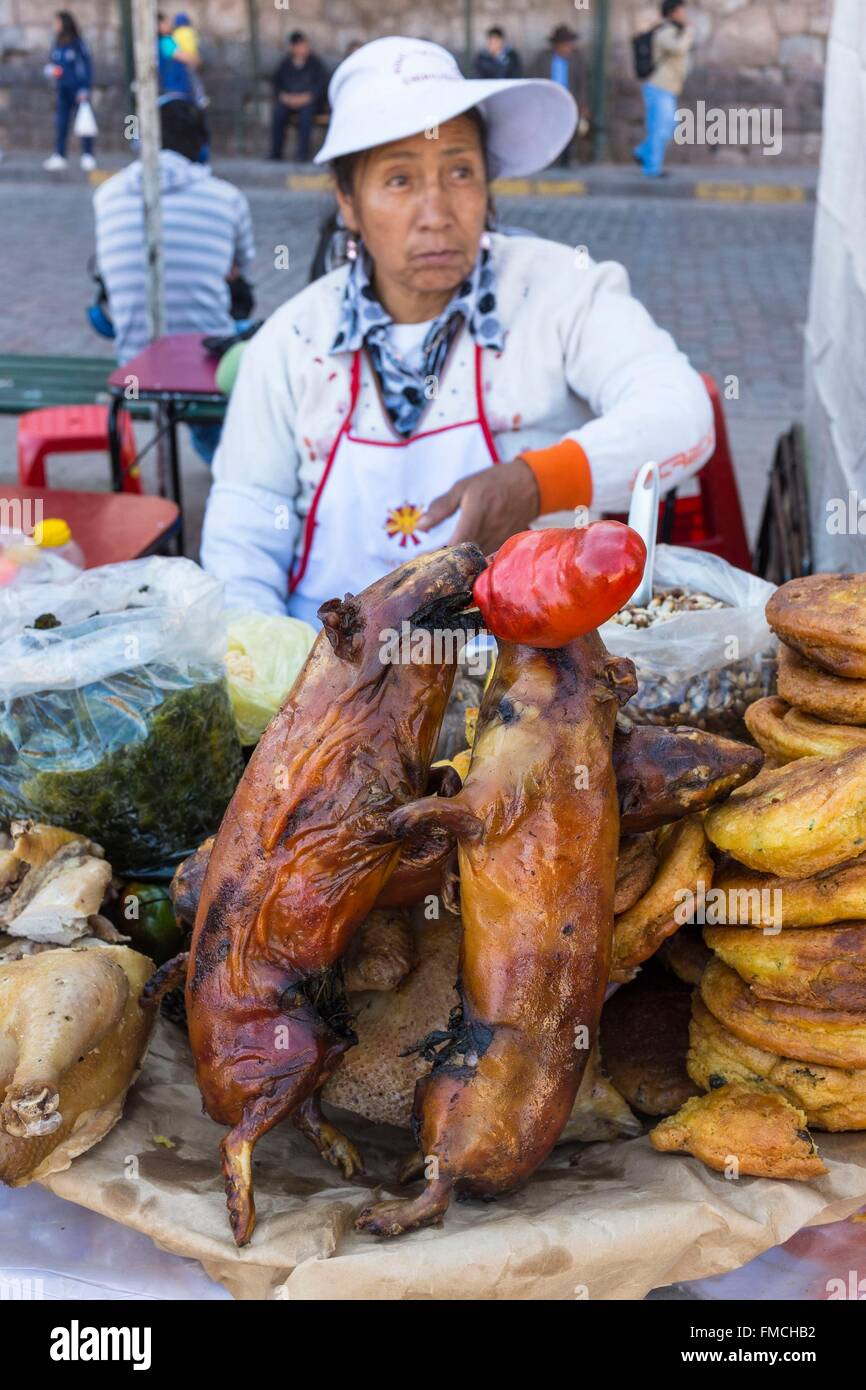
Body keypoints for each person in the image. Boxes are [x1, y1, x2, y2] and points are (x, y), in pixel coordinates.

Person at [201, 36, 713, 623]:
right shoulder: (293, 341)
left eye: (461, 172)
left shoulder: (561, 290)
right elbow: (243, 527)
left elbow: (681, 411)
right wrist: (268, 670)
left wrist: (533, 482)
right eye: (399, 180)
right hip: (327, 682)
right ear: (348, 201)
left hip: (519, 679)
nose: (437, 212)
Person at [94, 97, 254, 464]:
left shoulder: (106, 195)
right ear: (202, 146)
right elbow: (238, 270)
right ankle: (222, 457)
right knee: (244, 329)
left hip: (134, 363)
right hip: (202, 361)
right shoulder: (228, 199)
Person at [634, 1, 694, 179]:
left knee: (668, 126)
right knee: (659, 129)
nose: (684, 13)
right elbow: (679, 48)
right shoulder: (664, 32)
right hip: (659, 87)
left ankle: (643, 152)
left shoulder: (675, 32)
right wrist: (690, 32)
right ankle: (652, 168)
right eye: (681, 10)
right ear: (673, 12)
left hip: (669, 89)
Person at [44, 11, 95, 172]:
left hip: (78, 91)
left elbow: (86, 66)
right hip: (62, 90)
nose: (55, 26)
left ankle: (88, 155)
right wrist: (52, 71)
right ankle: (60, 155)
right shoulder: (57, 43)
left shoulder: (78, 44)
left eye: (57, 23)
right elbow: (54, 63)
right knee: (61, 123)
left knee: (85, 123)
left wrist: (84, 88)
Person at [530, 24, 586, 166]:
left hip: (569, 99)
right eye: (565, 45)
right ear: (556, 45)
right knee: (549, 129)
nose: (568, 48)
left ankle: (567, 159)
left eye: (569, 45)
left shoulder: (577, 59)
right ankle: (549, 159)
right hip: (549, 100)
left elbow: (583, 83)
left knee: (569, 129)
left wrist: (583, 104)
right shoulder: (543, 59)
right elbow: (535, 78)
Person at [269, 31, 328, 163]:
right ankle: (276, 153)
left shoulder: (315, 64)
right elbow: (277, 85)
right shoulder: (285, 64)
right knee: (278, 113)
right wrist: (285, 97)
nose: (304, 48)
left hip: (309, 103)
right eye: (300, 45)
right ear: (293, 47)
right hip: (289, 102)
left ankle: (302, 153)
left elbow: (321, 86)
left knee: (306, 114)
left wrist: (306, 97)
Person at [171, 11, 208, 107]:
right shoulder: (192, 32)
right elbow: (197, 45)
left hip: (181, 60)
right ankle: (200, 98)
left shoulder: (175, 33)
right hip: (193, 59)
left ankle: (191, 99)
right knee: (195, 80)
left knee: (187, 80)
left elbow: (176, 47)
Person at [157, 11, 195, 100]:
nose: (169, 25)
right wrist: (196, 59)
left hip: (167, 91)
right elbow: (188, 58)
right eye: (166, 23)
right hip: (174, 91)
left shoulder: (158, 42)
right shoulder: (166, 41)